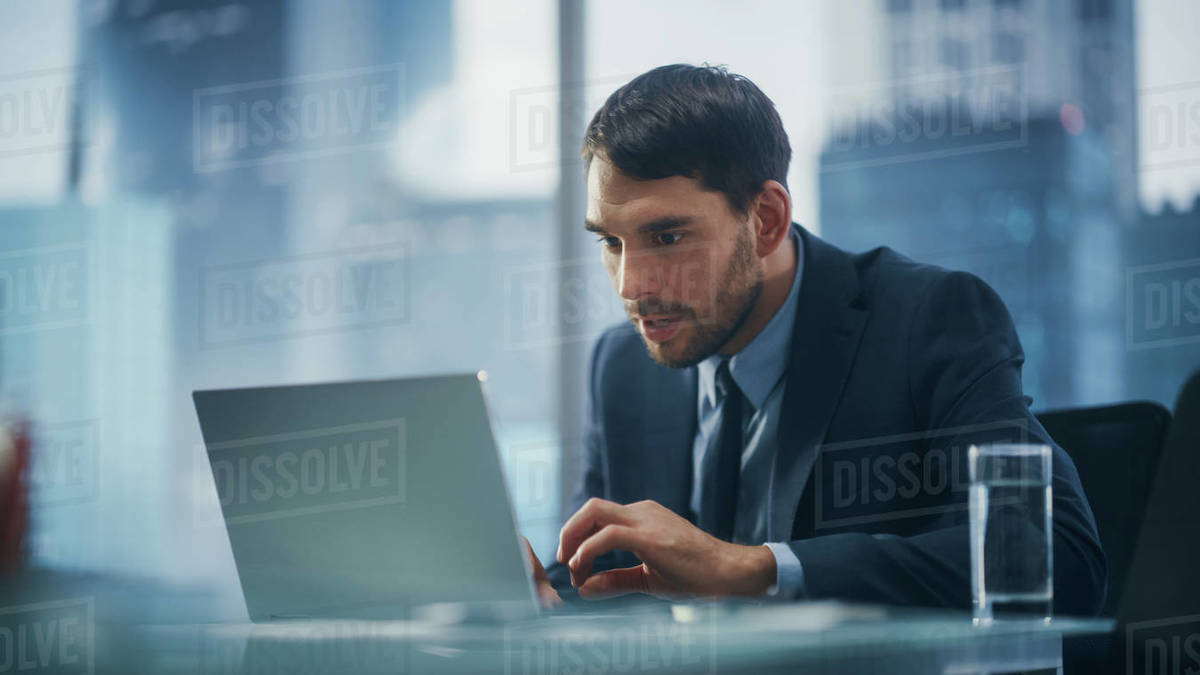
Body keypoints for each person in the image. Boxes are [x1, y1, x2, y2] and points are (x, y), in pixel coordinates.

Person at [522, 64, 1106, 614]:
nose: (633, 286)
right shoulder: (622, 366)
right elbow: (604, 582)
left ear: (767, 220)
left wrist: (753, 569)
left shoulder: (927, 321)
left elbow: (1058, 556)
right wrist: (540, 603)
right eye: (611, 242)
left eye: (668, 237)